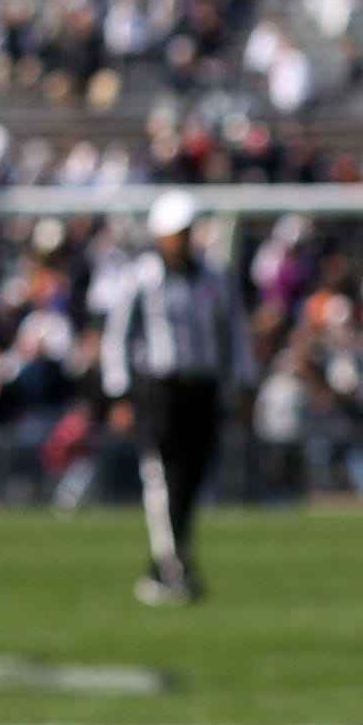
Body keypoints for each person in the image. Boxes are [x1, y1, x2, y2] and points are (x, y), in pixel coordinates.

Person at [96, 188, 251, 606]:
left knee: (193, 477)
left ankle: (172, 558)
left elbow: (234, 331)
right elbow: (118, 337)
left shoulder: (215, 278)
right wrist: (120, 393)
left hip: (202, 387)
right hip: (160, 389)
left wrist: (241, 381)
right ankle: (171, 561)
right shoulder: (142, 277)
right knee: (163, 476)